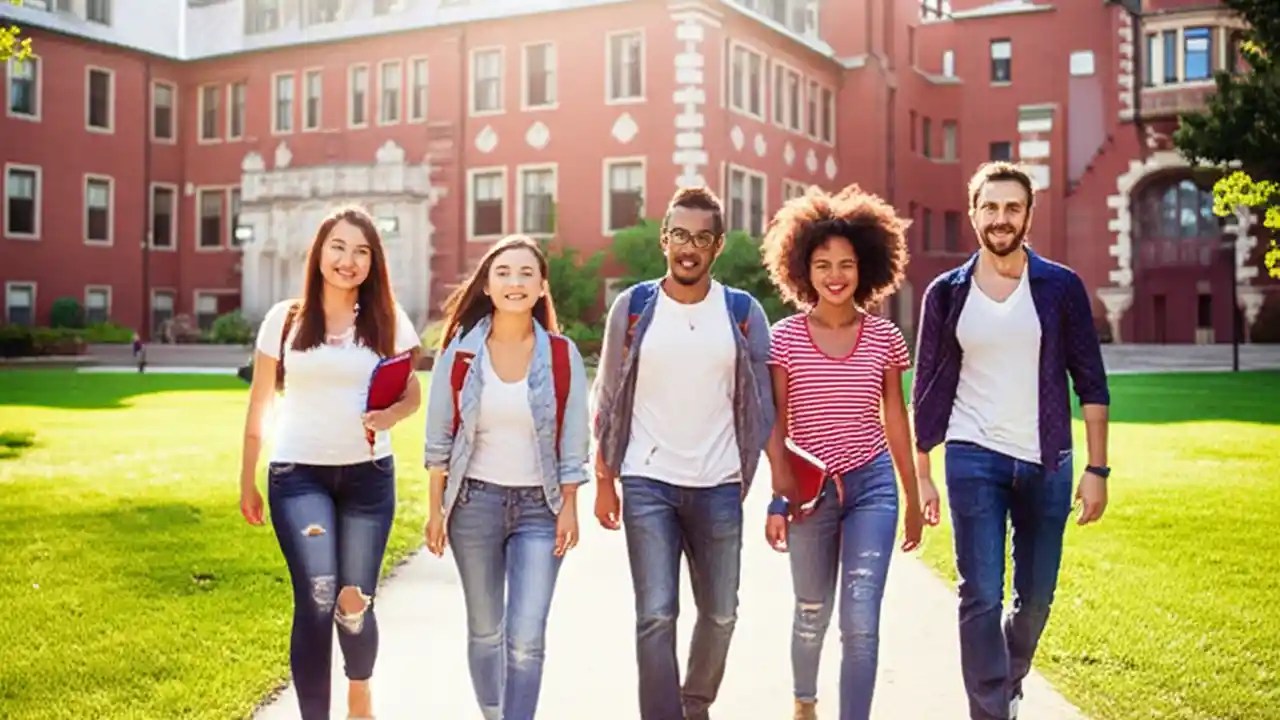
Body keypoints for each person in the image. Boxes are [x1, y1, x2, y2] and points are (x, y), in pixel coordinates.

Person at [912, 162, 1111, 720]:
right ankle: (990, 711)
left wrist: (1098, 469)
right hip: (973, 457)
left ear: (1028, 215)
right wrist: (923, 471)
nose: (1001, 219)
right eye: (990, 207)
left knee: (1036, 599)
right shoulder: (946, 293)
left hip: (1047, 461)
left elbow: (1090, 379)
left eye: (1012, 208)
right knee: (980, 595)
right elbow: (925, 386)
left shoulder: (1060, 287)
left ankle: (1008, 680)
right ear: (974, 212)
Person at [591, 186, 775, 720]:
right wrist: (605, 478)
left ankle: (694, 702)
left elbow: (763, 403)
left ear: (717, 246)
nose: (688, 247)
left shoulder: (741, 311)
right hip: (646, 479)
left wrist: (760, 478)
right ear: (663, 240)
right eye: (679, 235)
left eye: (701, 237)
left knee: (720, 613)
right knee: (655, 613)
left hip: (718, 483)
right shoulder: (633, 308)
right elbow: (606, 396)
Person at [759, 184, 938, 720]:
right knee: (811, 610)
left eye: (846, 264)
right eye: (822, 265)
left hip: (872, 486)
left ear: (866, 268)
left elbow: (895, 418)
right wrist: (778, 496)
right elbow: (778, 425)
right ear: (802, 270)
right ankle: (804, 703)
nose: (835, 275)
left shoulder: (885, 337)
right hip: (810, 493)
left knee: (861, 618)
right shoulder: (784, 338)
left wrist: (911, 494)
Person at [238, 205, 423, 720]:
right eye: (338, 247)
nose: (348, 260)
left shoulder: (388, 319)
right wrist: (246, 481)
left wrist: (391, 416)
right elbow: (259, 403)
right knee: (317, 594)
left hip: (368, 479)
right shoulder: (286, 319)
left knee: (351, 599)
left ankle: (359, 690)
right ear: (319, 252)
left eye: (361, 251)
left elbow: (412, 395)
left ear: (373, 262)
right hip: (298, 476)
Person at [422, 234, 590, 720]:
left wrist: (570, 509)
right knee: (486, 631)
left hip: (542, 509)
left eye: (525, 273)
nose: (514, 282)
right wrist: (436, 512)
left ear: (541, 288)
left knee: (526, 637)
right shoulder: (460, 354)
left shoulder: (562, 356)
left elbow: (573, 443)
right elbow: (438, 440)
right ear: (488, 286)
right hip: (473, 506)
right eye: (503, 272)